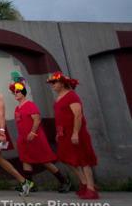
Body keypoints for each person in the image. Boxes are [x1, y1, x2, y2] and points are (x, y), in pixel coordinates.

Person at [9, 72, 71, 193]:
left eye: (18, 91)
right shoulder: (17, 108)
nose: (15, 93)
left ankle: (64, 181)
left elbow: (37, 119)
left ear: (23, 92)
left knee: (45, 161)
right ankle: (29, 186)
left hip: (35, 138)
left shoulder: (30, 105)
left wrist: (33, 133)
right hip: (24, 139)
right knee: (26, 160)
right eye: (14, 92)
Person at [47, 71, 99, 199]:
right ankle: (84, 183)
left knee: (83, 160)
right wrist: (58, 133)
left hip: (76, 133)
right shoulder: (59, 98)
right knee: (66, 159)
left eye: (54, 82)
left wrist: (75, 133)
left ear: (62, 83)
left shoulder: (72, 96)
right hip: (63, 134)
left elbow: (78, 115)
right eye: (51, 83)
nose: (52, 85)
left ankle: (91, 189)